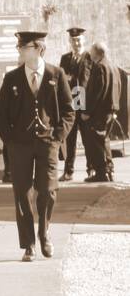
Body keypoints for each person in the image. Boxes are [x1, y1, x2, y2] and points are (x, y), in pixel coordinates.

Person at [0, 31, 75, 261]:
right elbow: (0, 114)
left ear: (38, 48)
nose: (19, 50)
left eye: (24, 46)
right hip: (19, 145)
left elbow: (69, 111)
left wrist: (58, 136)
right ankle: (29, 244)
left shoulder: (55, 74)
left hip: (48, 143)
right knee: (22, 192)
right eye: (19, 47)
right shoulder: (12, 79)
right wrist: (9, 140)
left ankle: (44, 232)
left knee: (48, 190)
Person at [59, 27, 91, 181]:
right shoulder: (65, 58)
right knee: (69, 140)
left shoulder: (89, 57)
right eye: (73, 40)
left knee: (87, 139)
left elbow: (89, 83)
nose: (76, 43)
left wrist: (87, 108)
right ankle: (68, 171)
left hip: (83, 104)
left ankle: (91, 169)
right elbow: (61, 80)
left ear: (83, 40)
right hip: (70, 105)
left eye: (78, 40)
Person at [84, 42, 117, 182]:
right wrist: (114, 108)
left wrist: (88, 111)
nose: (90, 54)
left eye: (91, 52)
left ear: (98, 53)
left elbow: (97, 92)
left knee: (96, 143)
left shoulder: (99, 67)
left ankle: (101, 173)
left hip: (99, 113)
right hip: (109, 110)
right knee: (104, 140)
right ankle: (109, 170)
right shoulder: (112, 66)